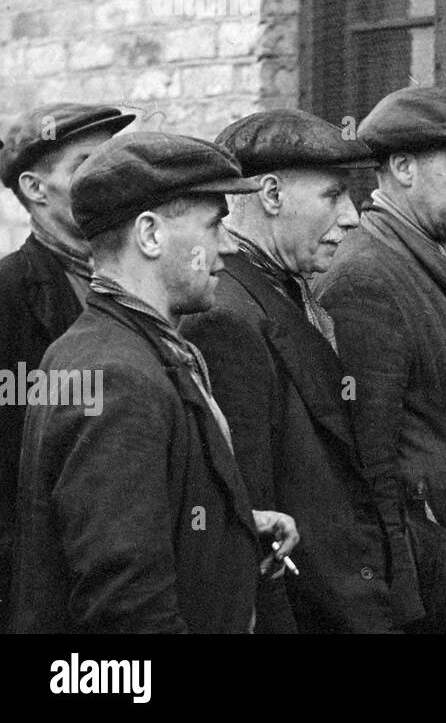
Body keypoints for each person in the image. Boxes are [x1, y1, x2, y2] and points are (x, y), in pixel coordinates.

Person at [9, 132, 299, 633]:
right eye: (213, 225)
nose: (227, 246)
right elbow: (127, 608)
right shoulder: (118, 376)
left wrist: (230, 525)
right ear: (150, 235)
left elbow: (123, 522)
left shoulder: (112, 345)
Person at [182, 109, 418, 633]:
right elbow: (251, 523)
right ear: (270, 194)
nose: (353, 216)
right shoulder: (226, 319)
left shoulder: (282, 292)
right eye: (333, 196)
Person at [316, 86, 446, 632]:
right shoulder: (365, 279)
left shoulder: (434, 257)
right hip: (428, 600)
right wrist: (400, 610)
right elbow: (368, 471)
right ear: (402, 168)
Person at [0, 102, 135, 627]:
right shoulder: (9, 297)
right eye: (85, 165)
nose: (109, 177)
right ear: (35, 189)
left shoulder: (142, 279)